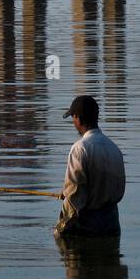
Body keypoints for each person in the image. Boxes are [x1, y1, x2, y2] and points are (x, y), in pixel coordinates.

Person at [55, 95, 126, 238]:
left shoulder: (79, 149)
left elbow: (74, 196)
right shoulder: (114, 149)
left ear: (78, 118)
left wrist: (59, 230)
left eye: (73, 118)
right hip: (111, 225)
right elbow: (117, 189)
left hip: (86, 229)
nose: (73, 122)